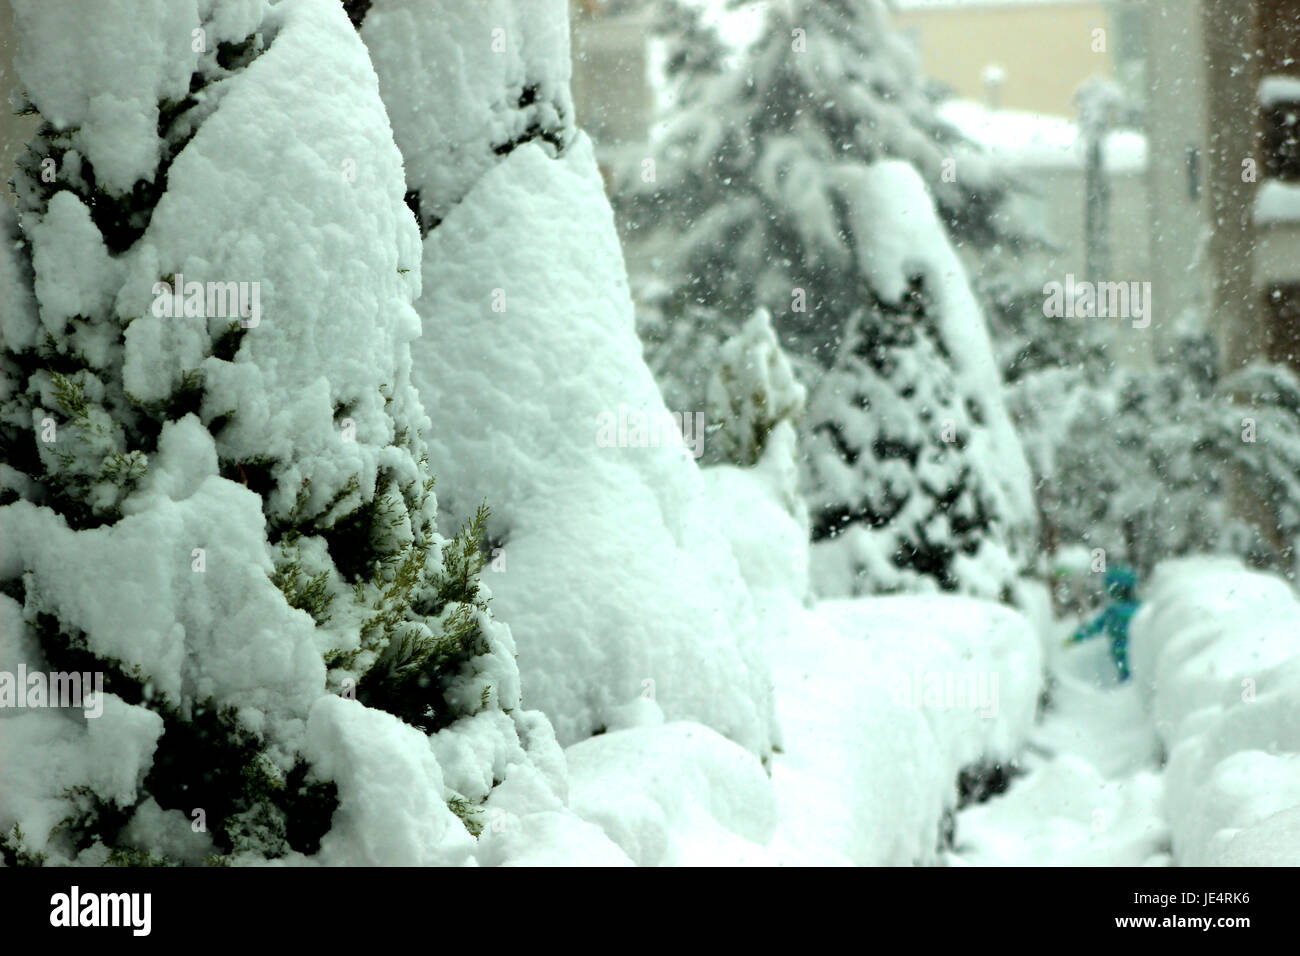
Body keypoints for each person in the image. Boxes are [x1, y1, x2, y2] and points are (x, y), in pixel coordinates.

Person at [1065, 564, 1139, 681]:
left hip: (1122, 659)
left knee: (1127, 680)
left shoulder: (1113, 613)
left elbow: (1093, 628)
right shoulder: (1141, 610)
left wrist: (1073, 639)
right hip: (1140, 658)